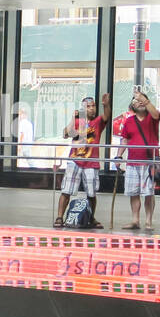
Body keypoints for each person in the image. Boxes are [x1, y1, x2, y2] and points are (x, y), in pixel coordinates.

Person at [53, 93, 111, 229]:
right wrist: (74, 117)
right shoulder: (78, 121)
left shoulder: (97, 123)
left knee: (91, 193)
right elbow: (66, 133)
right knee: (66, 190)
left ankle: (91, 217)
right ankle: (59, 217)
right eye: (88, 106)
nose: (91, 109)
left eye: (93, 106)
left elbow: (106, 116)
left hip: (91, 162)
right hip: (75, 160)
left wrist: (105, 105)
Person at [116, 88, 160, 233]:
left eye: (142, 100)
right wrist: (118, 156)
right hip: (132, 162)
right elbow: (124, 140)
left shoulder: (153, 118)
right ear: (132, 106)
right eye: (136, 101)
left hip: (149, 161)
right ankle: (135, 220)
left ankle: (148, 221)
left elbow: (155, 113)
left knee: (149, 192)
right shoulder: (129, 121)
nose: (140, 102)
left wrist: (143, 98)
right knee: (133, 192)